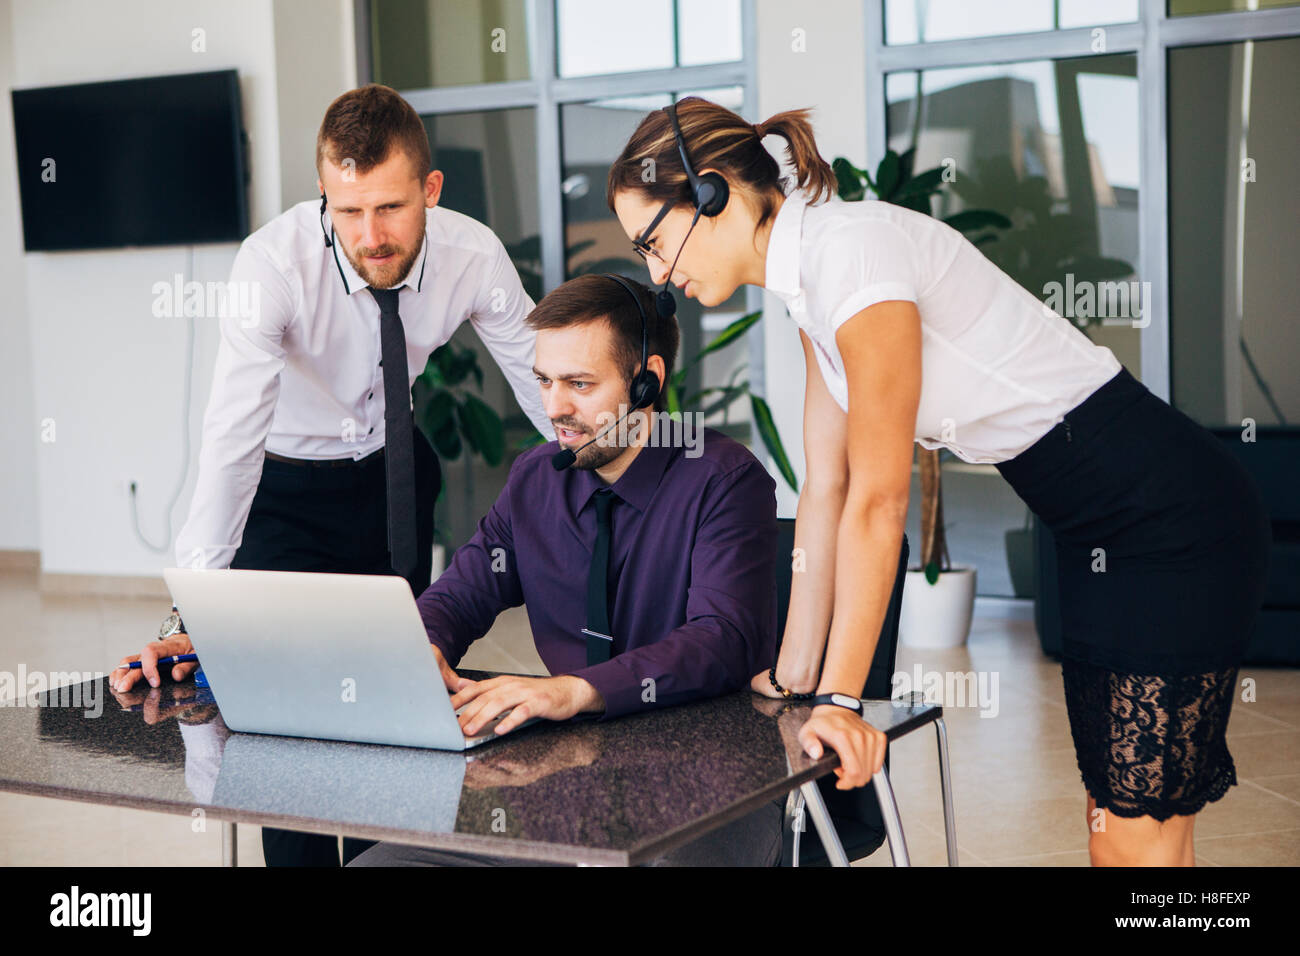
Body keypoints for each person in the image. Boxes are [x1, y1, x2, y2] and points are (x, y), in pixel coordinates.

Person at [605, 96, 1272, 866]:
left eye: (655, 242)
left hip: (1171, 519)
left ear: (713, 190)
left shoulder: (851, 256)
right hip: (1095, 535)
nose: (658, 274)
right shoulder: (809, 288)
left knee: (1135, 836)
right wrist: (794, 676)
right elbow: (827, 488)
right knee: (1116, 824)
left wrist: (843, 702)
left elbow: (881, 499)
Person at [111, 84, 554, 866]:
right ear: (324, 191)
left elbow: (546, 382)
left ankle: (390, 856)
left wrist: (625, 480)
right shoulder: (271, 266)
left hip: (393, 480)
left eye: (389, 208)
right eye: (347, 211)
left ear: (430, 189)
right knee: (287, 721)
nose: (369, 236)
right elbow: (230, 442)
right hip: (282, 492)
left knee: (394, 695)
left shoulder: (472, 254)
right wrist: (192, 612)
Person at [348, 273, 784, 866]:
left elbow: (722, 640)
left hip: (713, 775)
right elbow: (464, 589)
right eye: (545, 381)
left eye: (580, 383)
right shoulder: (536, 478)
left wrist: (576, 690)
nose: (556, 408)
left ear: (647, 378)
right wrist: (420, 641)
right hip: (565, 778)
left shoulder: (724, 479)